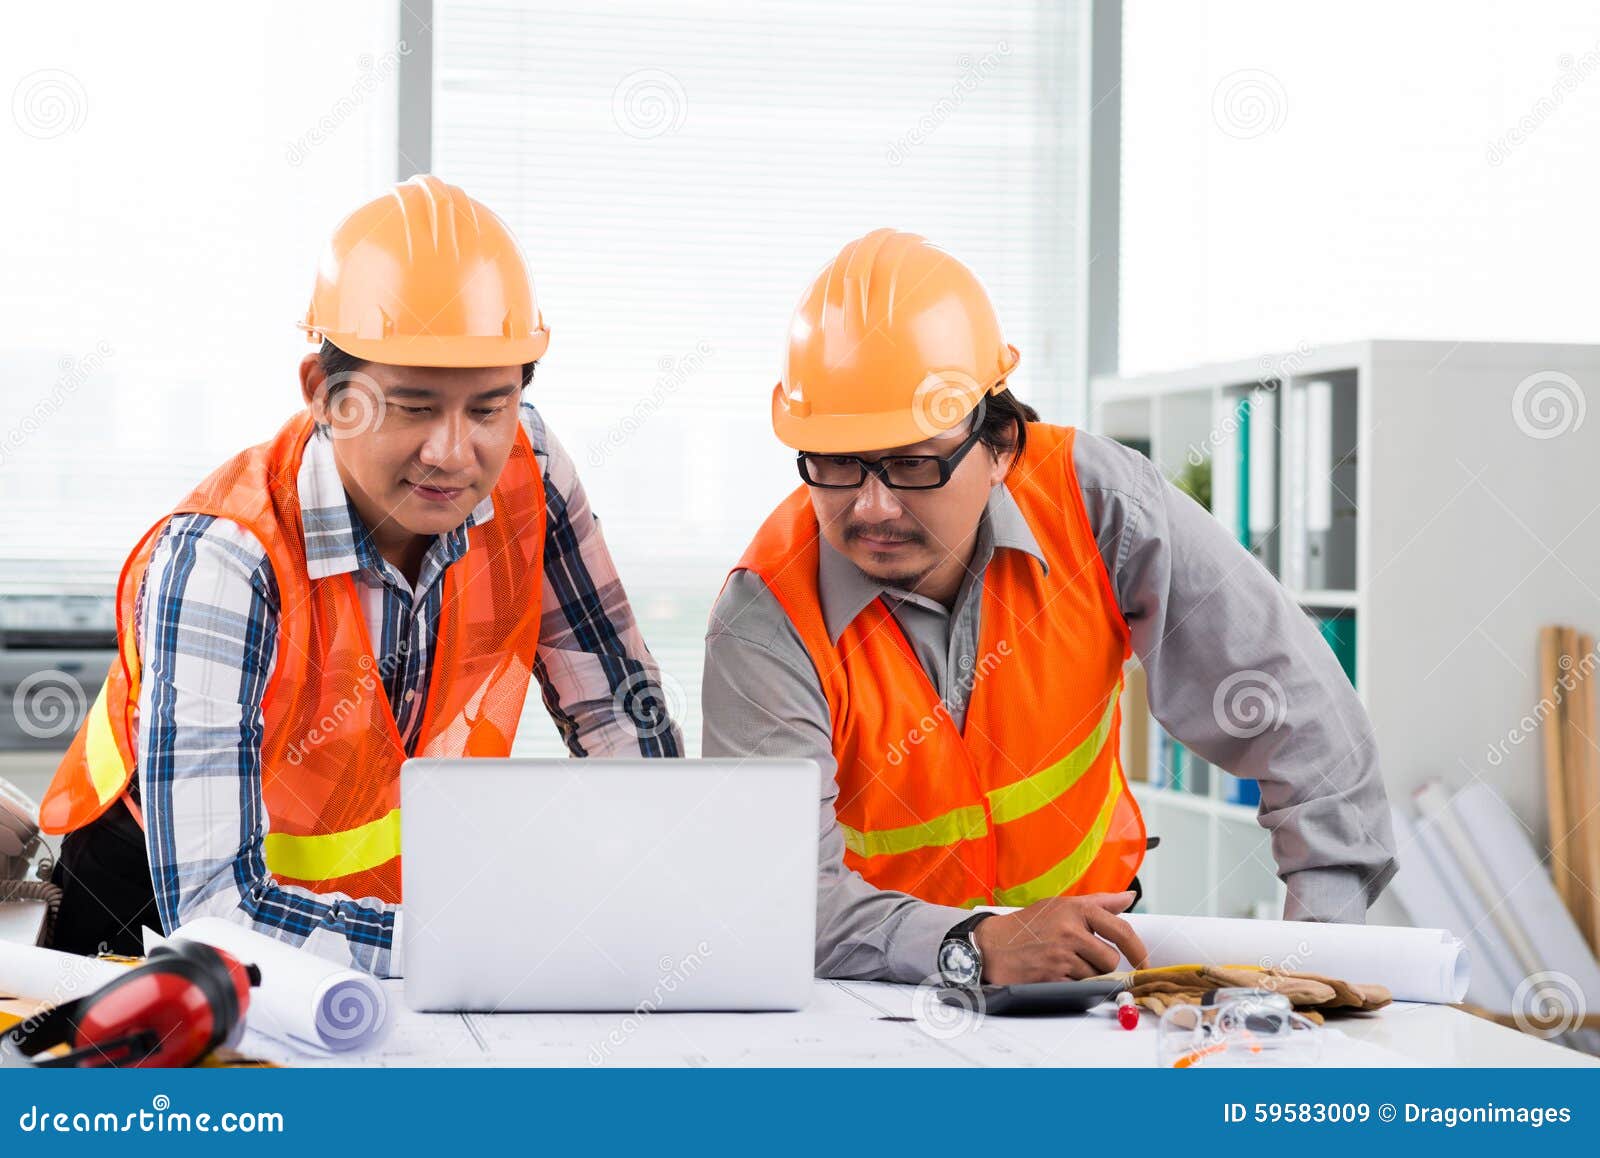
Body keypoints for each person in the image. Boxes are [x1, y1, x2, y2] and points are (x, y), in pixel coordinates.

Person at [703, 229, 1395, 987]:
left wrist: (1319, 962)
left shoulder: (1099, 505)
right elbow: (775, 900)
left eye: (910, 463)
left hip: (1096, 976)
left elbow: (1306, 721)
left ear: (1000, 446)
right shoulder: (765, 616)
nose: (871, 505)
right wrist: (975, 945)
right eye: (835, 464)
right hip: (867, 1000)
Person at [41, 175, 682, 975]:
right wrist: (495, 947)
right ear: (327, 396)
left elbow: (619, 717)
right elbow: (215, 915)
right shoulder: (225, 560)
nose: (454, 453)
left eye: (488, 407)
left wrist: (659, 890)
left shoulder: (531, 468)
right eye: (412, 406)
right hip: (152, 922)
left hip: (388, 923)